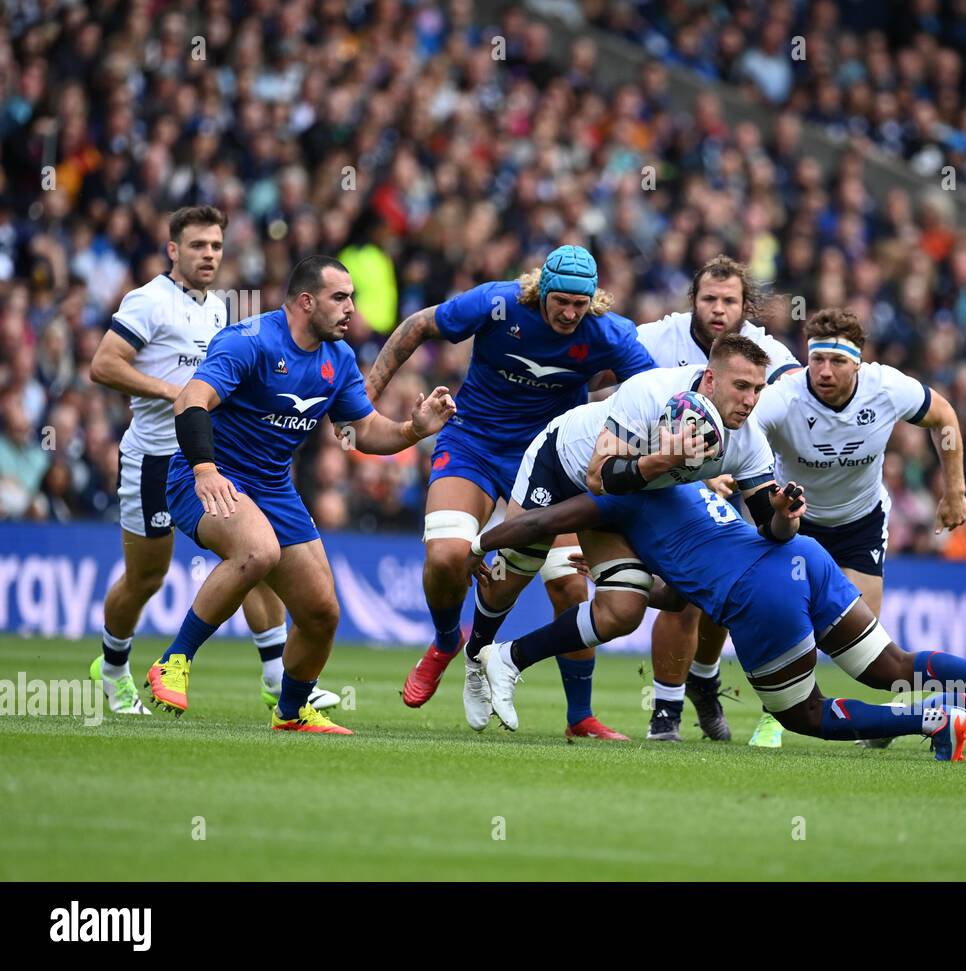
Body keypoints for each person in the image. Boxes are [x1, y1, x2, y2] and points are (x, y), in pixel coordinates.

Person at [466, 481, 966, 760]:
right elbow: (681, 594)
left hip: (760, 592)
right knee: (891, 665)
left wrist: (479, 543)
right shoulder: (693, 483)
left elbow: (542, 523)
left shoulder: (619, 496)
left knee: (805, 714)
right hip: (803, 558)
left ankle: (933, 719)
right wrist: (632, 582)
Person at [148, 256, 455, 733]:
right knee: (258, 550)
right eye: (340, 297)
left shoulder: (339, 359)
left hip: (272, 487)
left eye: (352, 297)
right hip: (203, 475)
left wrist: (415, 429)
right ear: (306, 302)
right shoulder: (249, 341)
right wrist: (205, 469)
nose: (351, 307)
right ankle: (173, 661)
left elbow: (362, 432)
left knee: (321, 612)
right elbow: (191, 401)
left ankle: (290, 712)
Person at [365, 245, 656, 740]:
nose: (568, 313)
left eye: (578, 305)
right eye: (560, 301)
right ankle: (443, 643)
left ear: (593, 302)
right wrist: (363, 401)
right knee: (447, 557)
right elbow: (418, 325)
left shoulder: (610, 333)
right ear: (540, 290)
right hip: (473, 444)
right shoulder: (496, 304)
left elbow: (652, 394)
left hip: (550, 460)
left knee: (568, 583)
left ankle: (578, 716)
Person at [86, 206, 337, 715]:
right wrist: (175, 392)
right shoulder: (148, 301)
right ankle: (111, 667)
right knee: (146, 578)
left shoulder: (221, 310)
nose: (209, 255)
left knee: (253, 556)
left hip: (217, 457)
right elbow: (103, 363)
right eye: (198, 245)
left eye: (216, 246)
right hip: (157, 457)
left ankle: (276, 678)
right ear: (173, 250)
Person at [462, 334, 781, 734]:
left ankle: (507, 659)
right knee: (513, 574)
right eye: (741, 386)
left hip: (624, 497)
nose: (751, 400)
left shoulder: (749, 440)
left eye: (757, 389)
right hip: (564, 465)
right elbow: (598, 476)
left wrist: (786, 517)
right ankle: (475, 659)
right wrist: (665, 460)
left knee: (623, 609)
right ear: (711, 380)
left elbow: (772, 522)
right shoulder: (650, 391)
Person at [745, 306, 966, 748]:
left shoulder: (886, 388)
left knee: (863, 650)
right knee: (793, 624)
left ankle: (895, 717)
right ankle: (777, 713)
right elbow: (740, 431)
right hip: (795, 522)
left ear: (859, 363)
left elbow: (944, 417)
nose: (824, 372)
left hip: (860, 524)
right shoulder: (784, 396)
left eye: (837, 362)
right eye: (816, 360)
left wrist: (955, 490)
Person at [635, 255, 799, 742]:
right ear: (693, 300)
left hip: (741, 478)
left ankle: (704, 680)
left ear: (746, 307)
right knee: (680, 595)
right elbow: (604, 374)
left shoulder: (765, 351)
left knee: (722, 596)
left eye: (729, 301)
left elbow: (799, 390)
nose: (718, 309)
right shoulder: (657, 338)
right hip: (662, 484)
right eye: (709, 299)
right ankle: (666, 711)